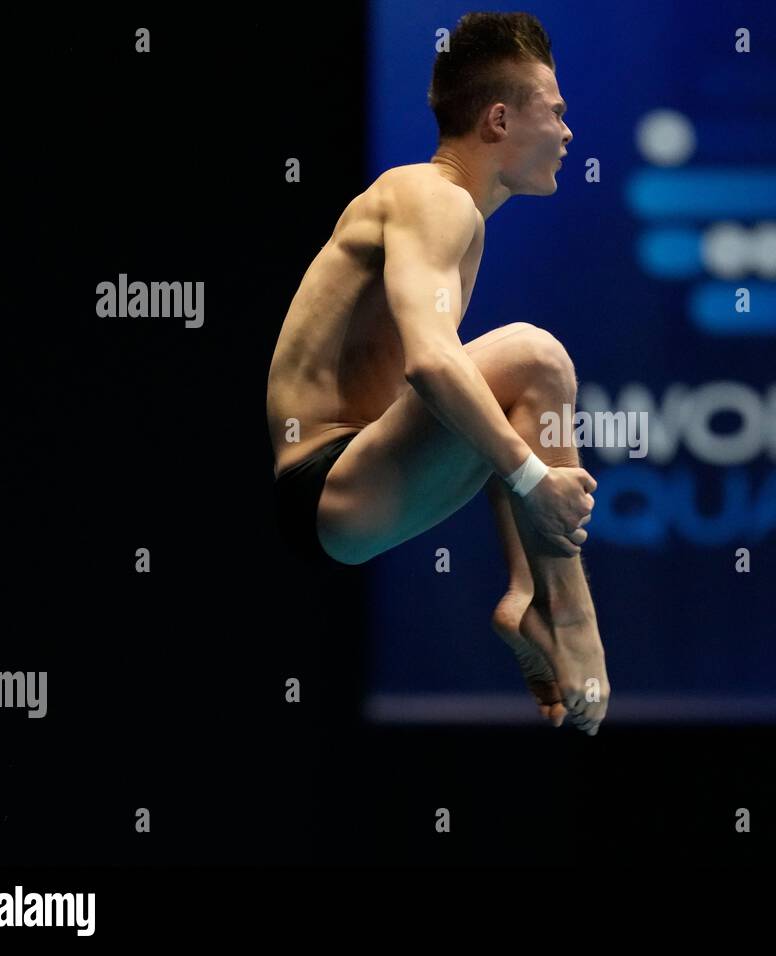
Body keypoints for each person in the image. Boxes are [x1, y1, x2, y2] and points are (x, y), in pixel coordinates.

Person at [265, 12, 608, 735]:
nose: (569, 132)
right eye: (557, 111)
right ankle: (572, 619)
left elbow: (458, 405)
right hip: (328, 477)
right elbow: (428, 361)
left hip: (346, 486)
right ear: (497, 119)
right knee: (534, 354)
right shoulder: (434, 199)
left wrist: (524, 528)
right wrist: (532, 483)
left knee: (510, 387)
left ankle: (528, 596)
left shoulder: (446, 212)